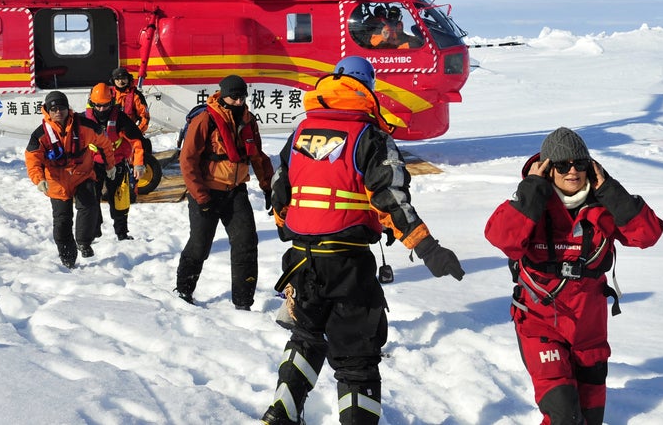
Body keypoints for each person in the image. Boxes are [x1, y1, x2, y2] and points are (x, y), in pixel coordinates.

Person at [260, 56, 464, 425]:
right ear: (367, 88)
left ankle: (282, 413)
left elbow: (278, 189)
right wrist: (427, 247)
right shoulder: (369, 136)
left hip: (300, 259)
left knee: (306, 338)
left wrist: (290, 226)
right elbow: (391, 198)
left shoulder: (302, 132)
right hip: (347, 263)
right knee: (357, 357)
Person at [484, 127, 663, 425]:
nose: (572, 171)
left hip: (589, 330)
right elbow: (502, 238)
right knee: (564, 416)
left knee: (589, 418)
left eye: (579, 164)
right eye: (562, 165)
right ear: (547, 168)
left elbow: (648, 235)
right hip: (540, 322)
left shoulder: (603, 204)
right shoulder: (533, 204)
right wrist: (531, 188)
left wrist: (612, 192)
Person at [175, 74, 274, 309]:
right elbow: (187, 161)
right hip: (207, 193)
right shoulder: (205, 120)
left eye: (243, 97)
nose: (239, 102)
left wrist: (267, 185)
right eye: (234, 97)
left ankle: (243, 302)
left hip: (235, 192)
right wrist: (201, 196)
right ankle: (184, 290)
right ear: (224, 96)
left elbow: (258, 156)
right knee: (200, 245)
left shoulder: (249, 121)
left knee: (246, 244)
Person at [25, 91, 118, 269]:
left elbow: (104, 143)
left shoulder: (85, 126)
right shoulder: (40, 135)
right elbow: (32, 158)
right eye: (53, 108)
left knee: (89, 206)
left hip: (82, 175)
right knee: (62, 221)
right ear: (47, 111)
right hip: (57, 182)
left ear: (68, 109)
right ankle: (67, 259)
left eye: (61, 107)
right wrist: (39, 180)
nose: (58, 111)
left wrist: (110, 166)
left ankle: (83, 242)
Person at [84, 83, 147, 241]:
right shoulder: (84, 119)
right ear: (92, 103)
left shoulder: (120, 119)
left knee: (120, 197)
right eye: (97, 106)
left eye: (105, 106)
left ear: (111, 103)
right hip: (93, 164)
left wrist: (138, 164)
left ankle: (122, 233)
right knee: (91, 198)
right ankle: (94, 232)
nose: (101, 109)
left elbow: (137, 142)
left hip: (117, 162)